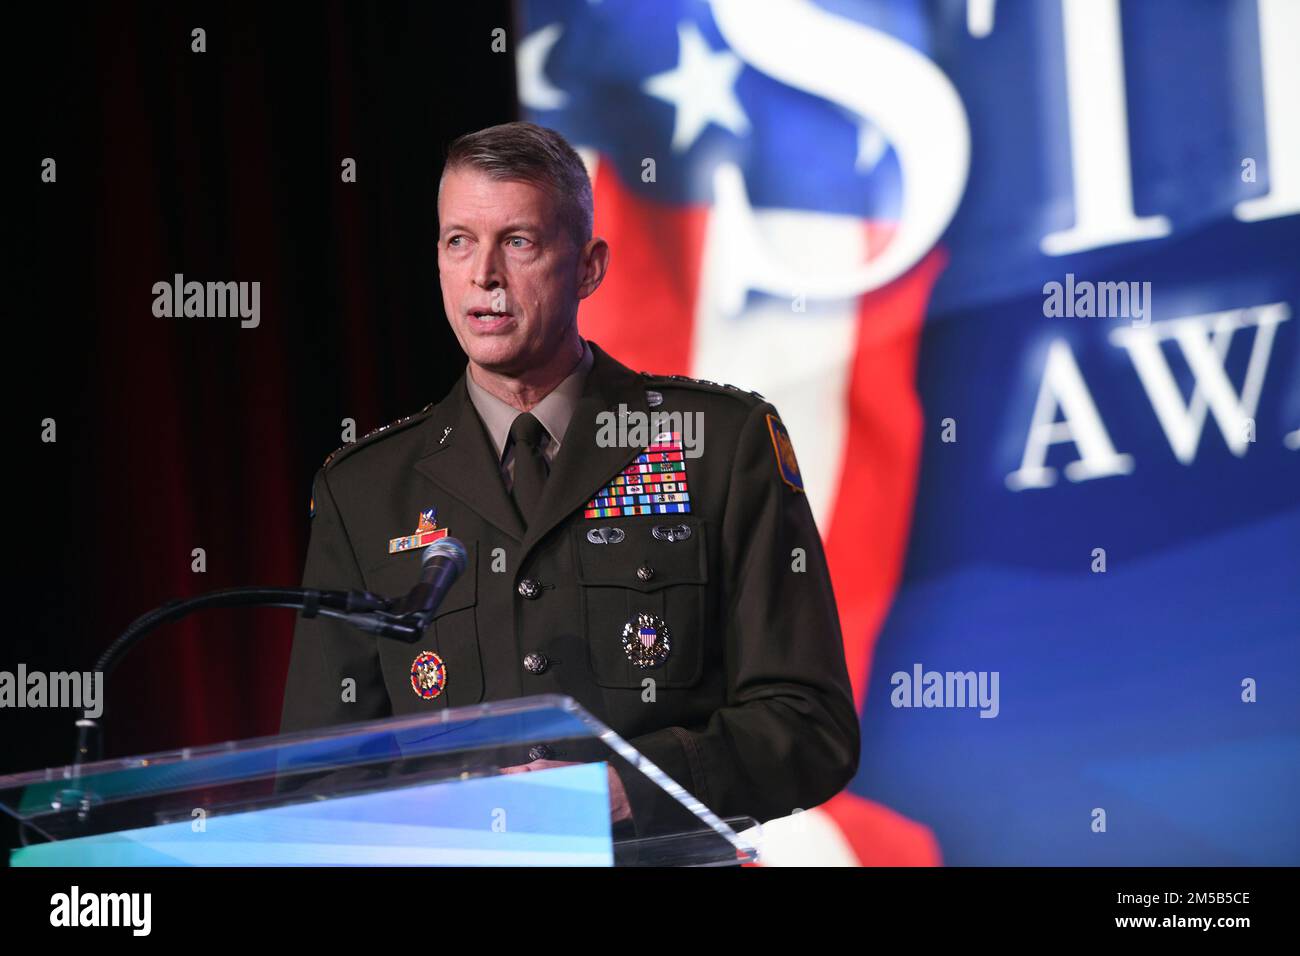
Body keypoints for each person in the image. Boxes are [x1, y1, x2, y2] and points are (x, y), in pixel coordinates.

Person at [279, 121, 859, 838]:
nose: (484, 274)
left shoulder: (720, 444)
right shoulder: (364, 491)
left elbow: (810, 724)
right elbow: (316, 779)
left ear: (587, 267)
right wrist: (458, 817)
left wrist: (627, 789)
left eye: (518, 242)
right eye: (459, 240)